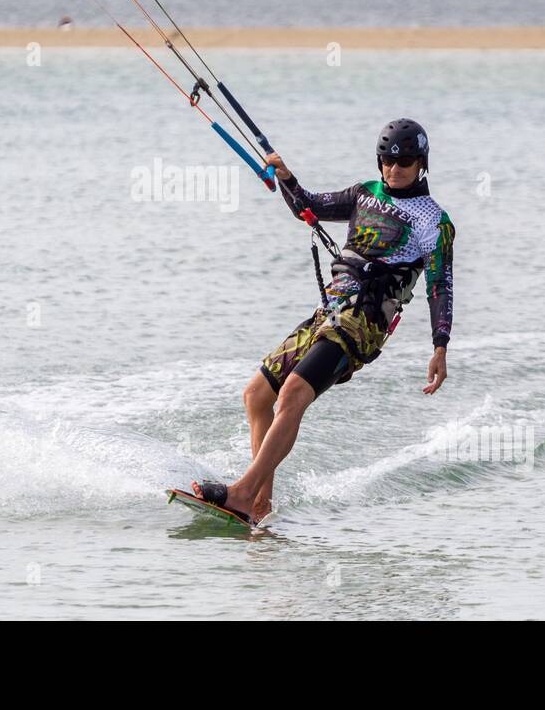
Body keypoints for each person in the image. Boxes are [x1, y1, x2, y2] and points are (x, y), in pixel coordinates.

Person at [190, 118, 455, 525]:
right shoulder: (364, 194)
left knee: (293, 393)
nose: (394, 170)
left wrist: (440, 347)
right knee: (257, 395)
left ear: (422, 164)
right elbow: (307, 207)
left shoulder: (433, 222)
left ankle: (242, 492)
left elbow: (439, 285)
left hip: (363, 323)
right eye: (387, 161)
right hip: (330, 312)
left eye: (405, 163)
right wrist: (286, 177)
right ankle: (259, 505)